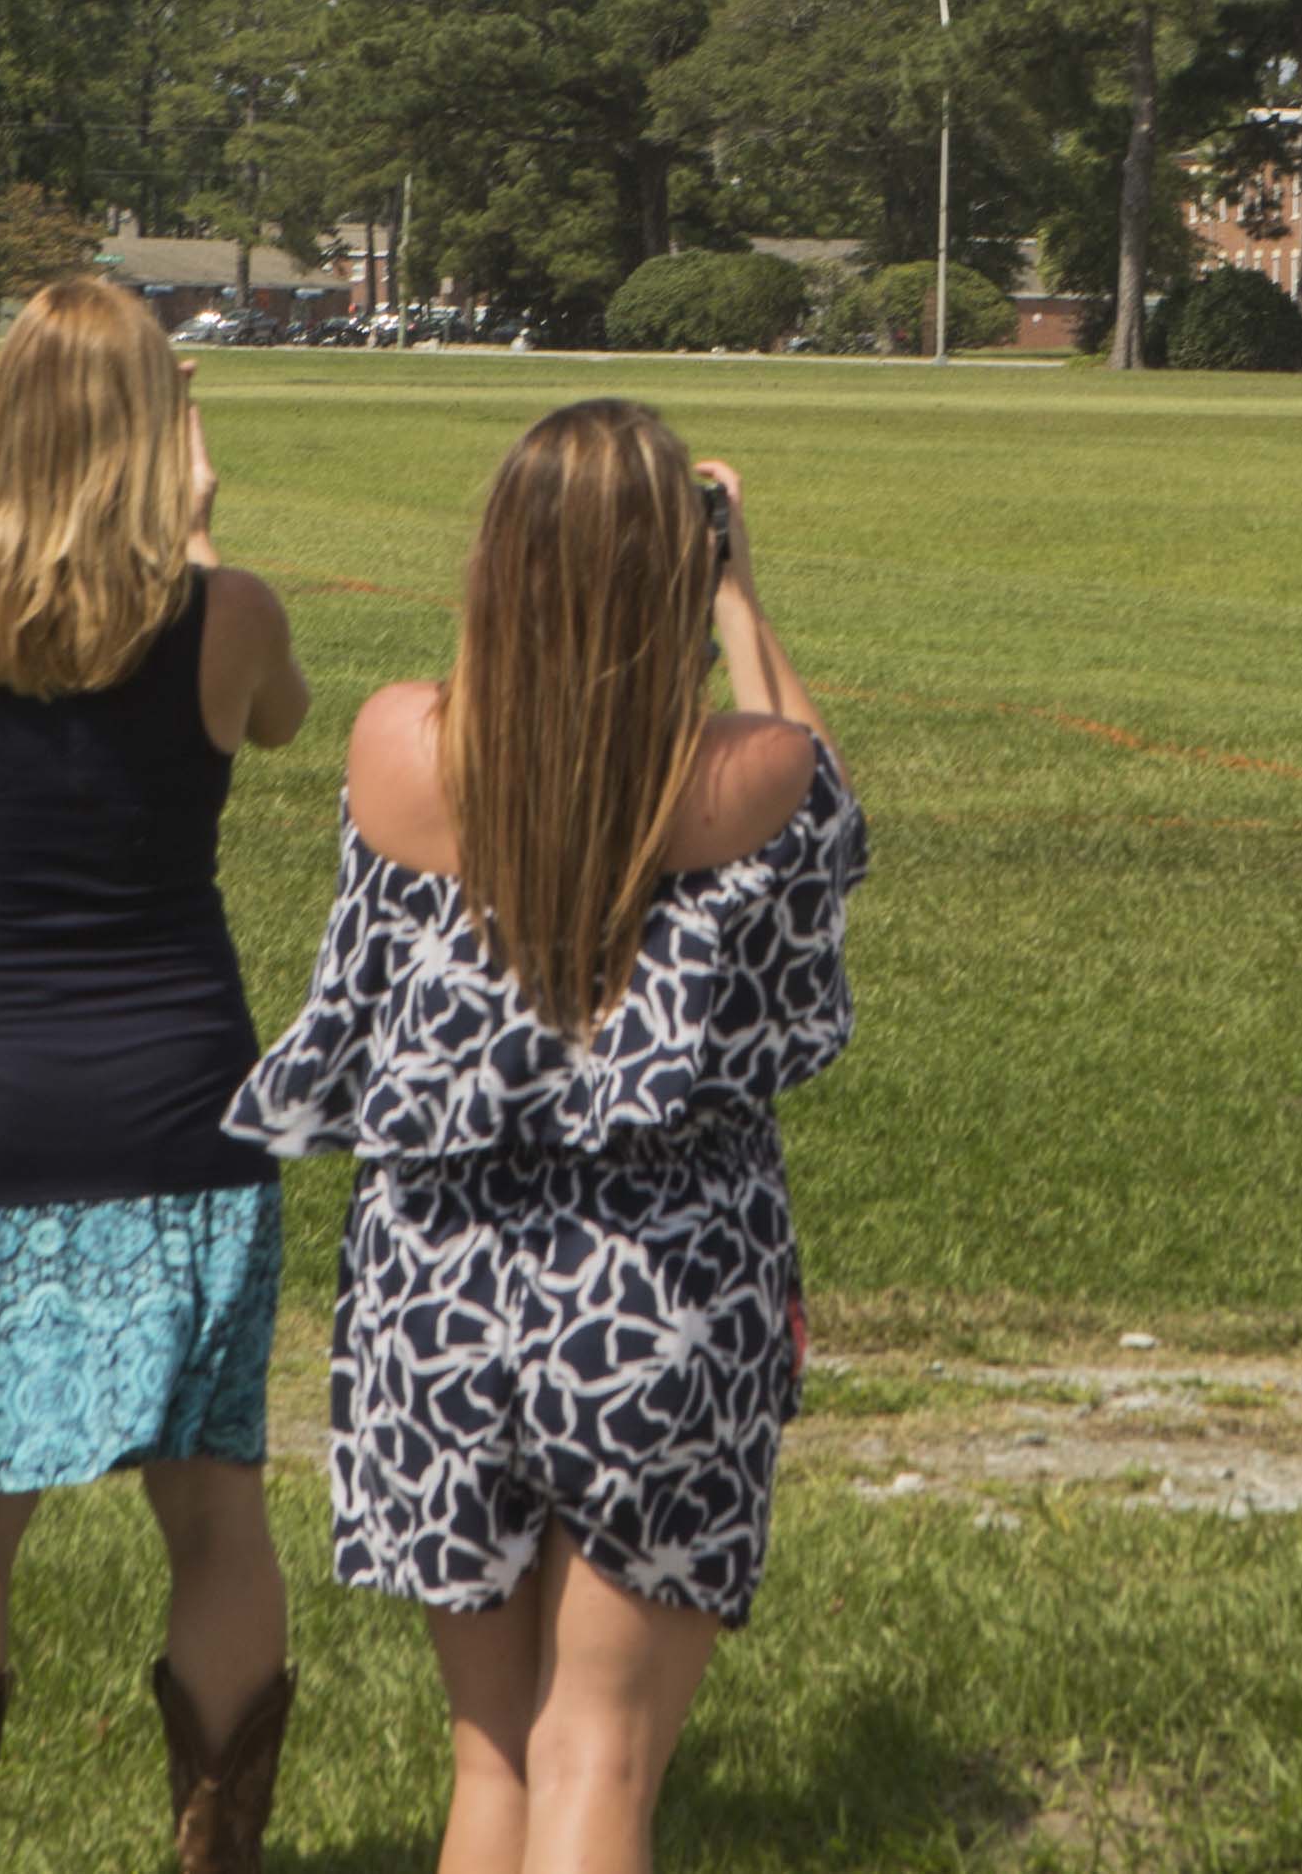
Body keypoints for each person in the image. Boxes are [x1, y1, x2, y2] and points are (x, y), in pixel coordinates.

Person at [226, 398, 862, 1874]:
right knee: (601, 1758)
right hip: (661, 1284)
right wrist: (740, 595)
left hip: (435, 1288)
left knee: (495, 1758)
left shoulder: (397, 746)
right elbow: (833, 814)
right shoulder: (746, 776)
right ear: (670, 572)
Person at [0, 274, 318, 1874]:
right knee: (214, 1510)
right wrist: (195, 534)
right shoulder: (226, 609)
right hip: (185, 1103)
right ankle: (212, 1849)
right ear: (157, 430)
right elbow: (279, 725)